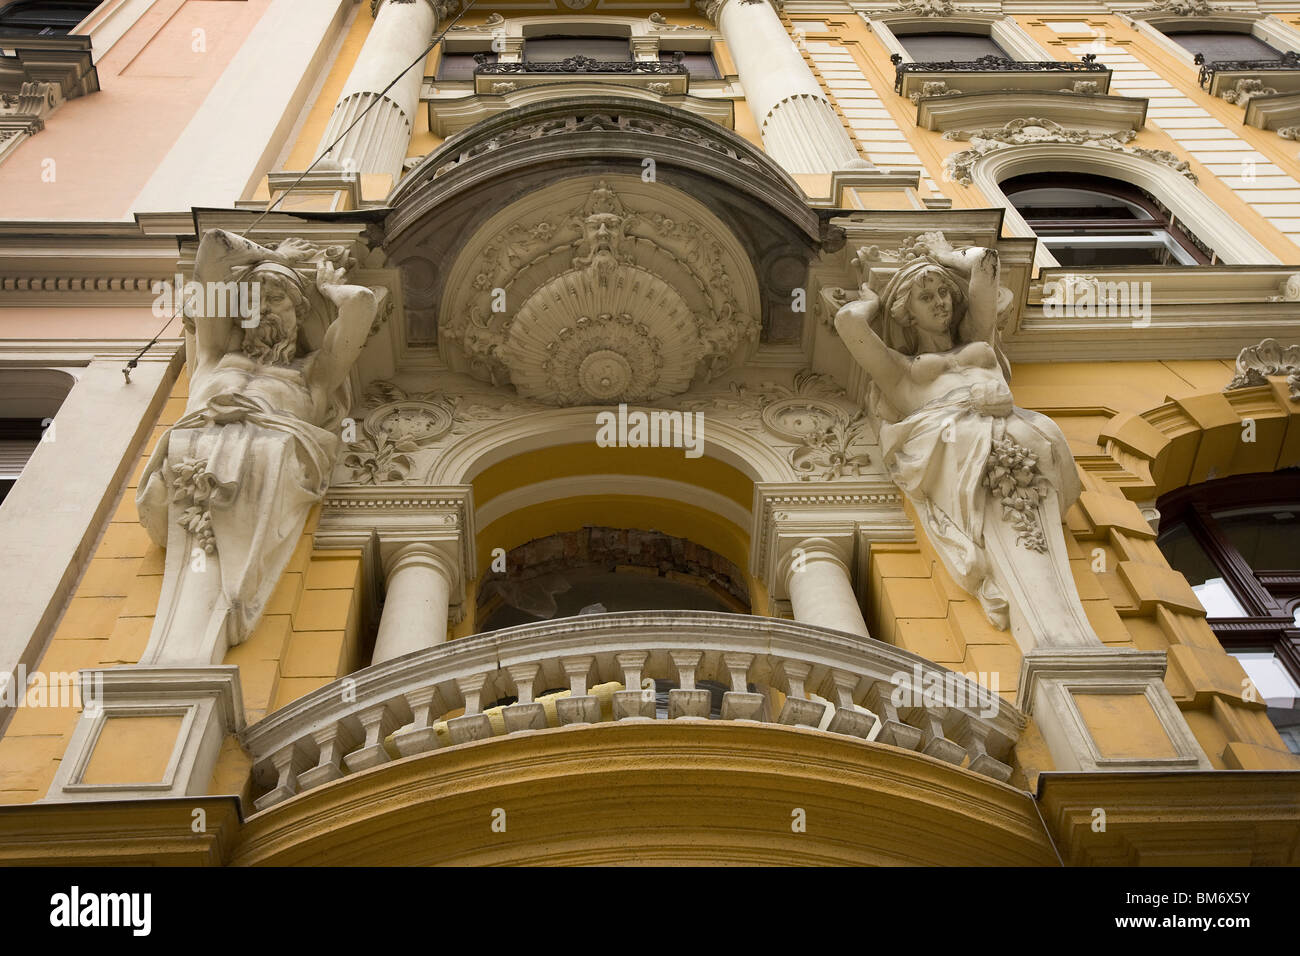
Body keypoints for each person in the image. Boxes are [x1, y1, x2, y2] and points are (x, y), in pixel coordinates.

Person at [137, 229, 377, 663]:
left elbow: (361, 302)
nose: (264, 308)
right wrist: (276, 256)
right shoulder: (211, 354)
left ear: (299, 310)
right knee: (195, 574)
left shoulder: (314, 373)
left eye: (278, 298)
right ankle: (181, 650)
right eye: (253, 299)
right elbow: (213, 246)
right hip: (195, 465)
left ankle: (202, 640)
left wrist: (327, 287)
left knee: (228, 579)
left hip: (267, 469)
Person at [834, 231, 1084, 638]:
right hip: (957, 443)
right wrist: (874, 299)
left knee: (1025, 522)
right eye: (926, 297)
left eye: (943, 292)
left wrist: (948, 255)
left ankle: (1056, 631)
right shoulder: (900, 370)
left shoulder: (977, 338)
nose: (941, 302)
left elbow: (986, 261)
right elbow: (849, 323)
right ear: (907, 312)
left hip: (1013, 435)